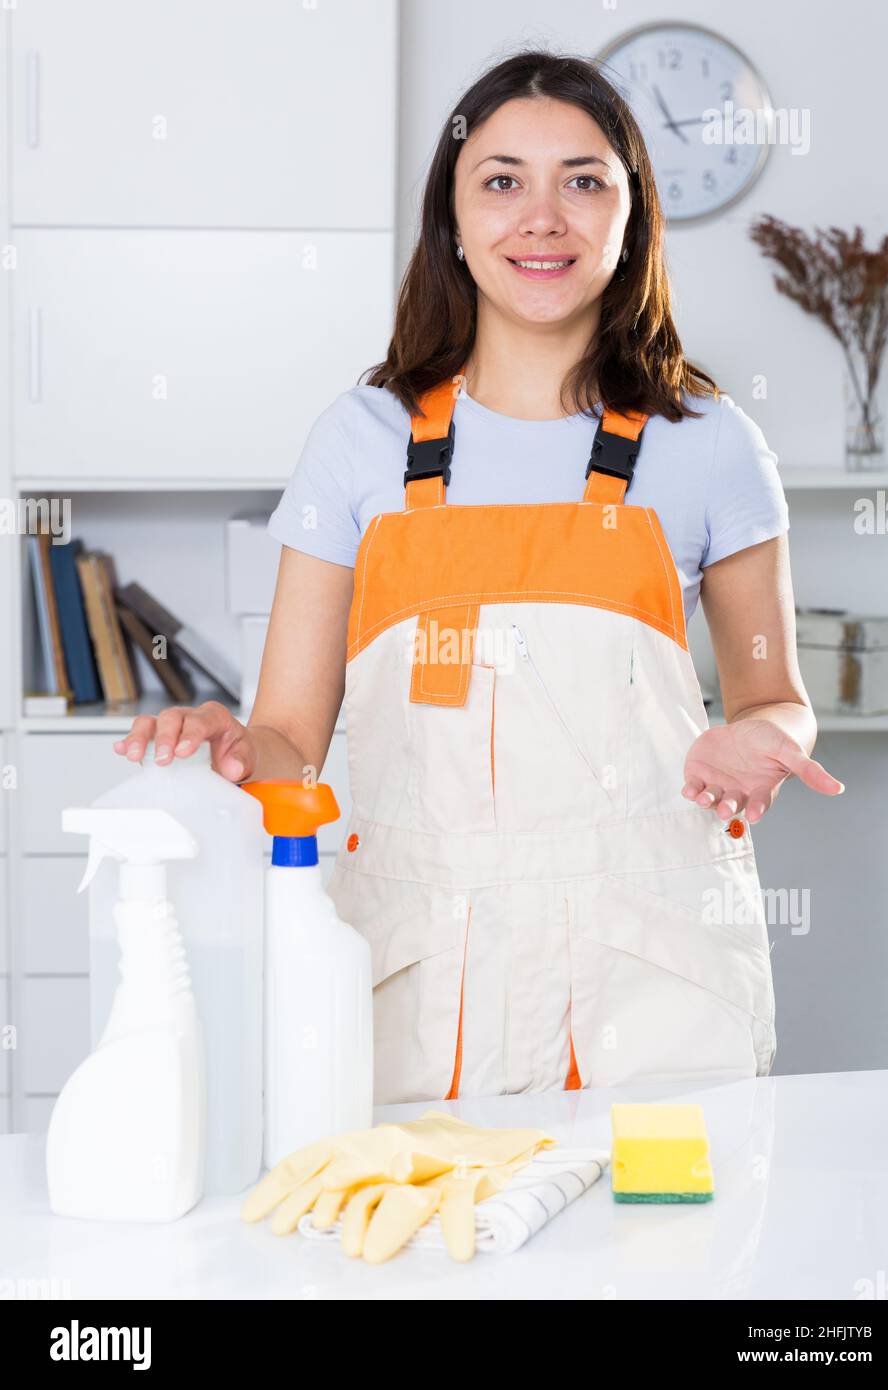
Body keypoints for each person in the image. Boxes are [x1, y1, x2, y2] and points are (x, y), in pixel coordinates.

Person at [115, 51, 843, 1104]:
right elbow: (285, 741)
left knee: (662, 1257)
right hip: (421, 976)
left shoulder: (711, 441)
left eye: (583, 181)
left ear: (631, 219)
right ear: (452, 220)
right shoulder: (359, 441)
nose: (541, 217)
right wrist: (230, 747)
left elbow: (775, 696)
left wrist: (764, 737)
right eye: (501, 180)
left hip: (653, 979)